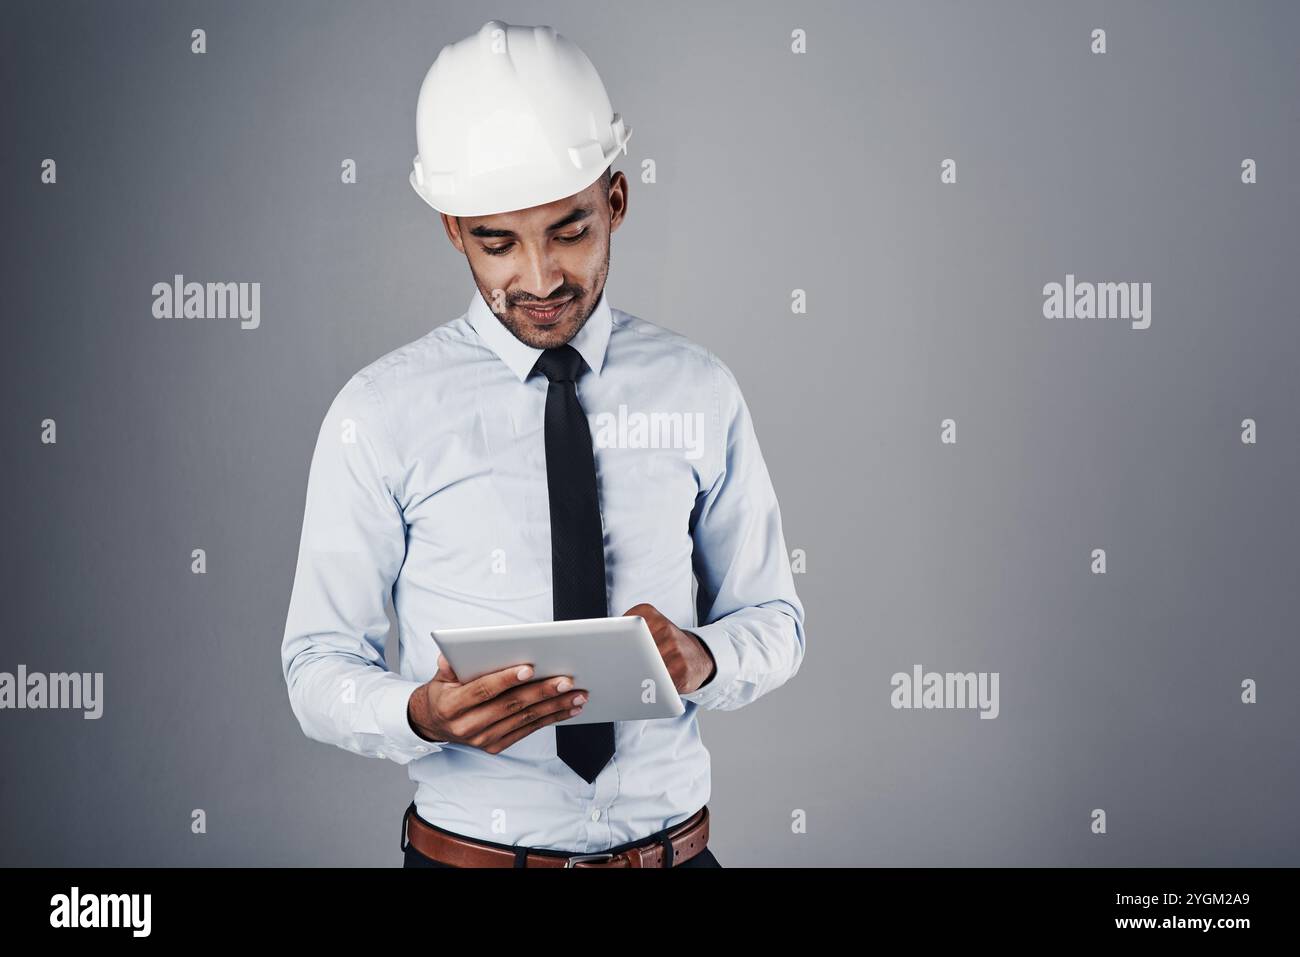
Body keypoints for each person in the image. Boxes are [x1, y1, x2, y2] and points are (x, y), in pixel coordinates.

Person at [280, 19, 806, 868]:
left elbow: (776, 620)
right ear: (454, 230)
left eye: (570, 230)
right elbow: (315, 664)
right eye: (497, 243)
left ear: (618, 203)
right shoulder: (378, 413)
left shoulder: (699, 389)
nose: (540, 277)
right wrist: (420, 712)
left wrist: (701, 655)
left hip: (674, 855)